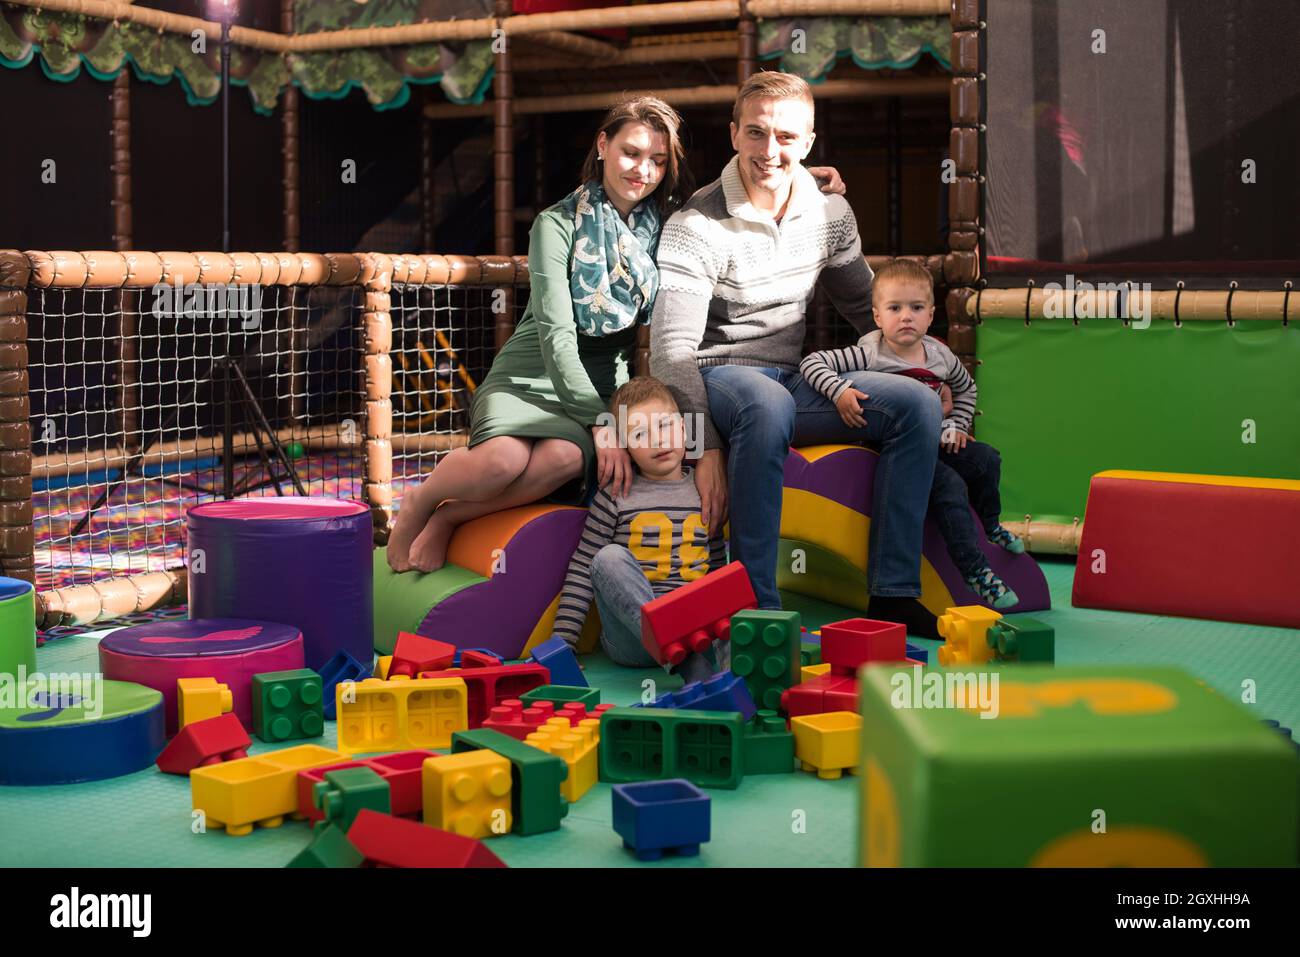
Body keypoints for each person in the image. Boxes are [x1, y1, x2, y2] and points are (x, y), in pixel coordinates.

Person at [387, 95, 847, 574]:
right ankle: (421, 502)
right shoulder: (556, 223)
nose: (642, 170)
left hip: (606, 379)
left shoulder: (670, 222)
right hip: (532, 374)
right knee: (502, 460)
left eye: (658, 161)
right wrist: (601, 422)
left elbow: (733, 189)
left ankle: (450, 517)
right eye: (632, 153)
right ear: (603, 145)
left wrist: (803, 176)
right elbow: (556, 334)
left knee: (564, 460)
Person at [651, 70, 943, 637]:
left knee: (916, 404)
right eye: (756, 133)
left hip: (792, 379)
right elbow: (670, 351)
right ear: (734, 134)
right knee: (764, 402)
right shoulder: (695, 224)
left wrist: (931, 368)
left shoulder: (829, 214)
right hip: (719, 378)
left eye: (786, 137)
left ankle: (893, 592)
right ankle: (755, 607)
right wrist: (704, 446)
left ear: (809, 143)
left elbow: (866, 310)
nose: (770, 150)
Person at [799, 258, 1026, 608]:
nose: (906, 316)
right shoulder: (868, 352)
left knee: (985, 458)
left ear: (931, 314)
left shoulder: (940, 354)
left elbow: (966, 389)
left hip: (936, 441)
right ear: (878, 317)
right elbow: (812, 363)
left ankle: (991, 524)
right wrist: (839, 391)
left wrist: (957, 425)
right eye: (895, 308)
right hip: (895, 451)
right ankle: (975, 570)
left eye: (916, 307)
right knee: (949, 486)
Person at [550, 376, 726, 684]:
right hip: (633, 641)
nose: (658, 440)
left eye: (665, 426)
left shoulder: (704, 489)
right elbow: (583, 567)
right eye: (640, 434)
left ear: (684, 429)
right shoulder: (616, 494)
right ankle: (685, 662)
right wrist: (562, 643)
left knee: (731, 581)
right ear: (625, 448)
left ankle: (728, 676)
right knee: (607, 558)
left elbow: (715, 567)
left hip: (696, 636)